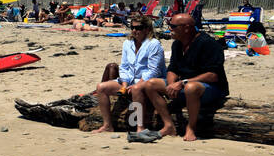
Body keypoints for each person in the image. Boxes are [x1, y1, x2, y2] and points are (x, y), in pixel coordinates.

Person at [137, 13, 229, 142]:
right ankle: (168, 125)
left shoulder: (209, 44)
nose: (170, 29)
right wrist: (170, 84)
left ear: (186, 28)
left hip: (210, 88)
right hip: (184, 85)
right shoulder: (177, 45)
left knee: (190, 88)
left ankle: (191, 128)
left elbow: (213, 75)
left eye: (173, 26)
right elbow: (173, 69)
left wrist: (182, 83)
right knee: (150, 84)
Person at [91, 15, 165, 132]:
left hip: (149, 81)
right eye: (132, 28)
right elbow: (124, 66)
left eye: (138, 28)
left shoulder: (154, 44)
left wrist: (139, 84)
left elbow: (153, 71)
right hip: (130, 79)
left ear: (147, 29)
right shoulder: (127, 43)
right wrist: (125, 84)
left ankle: (140, 127)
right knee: (101, 87)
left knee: (136, 89)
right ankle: (107, 125)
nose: (135, 31)